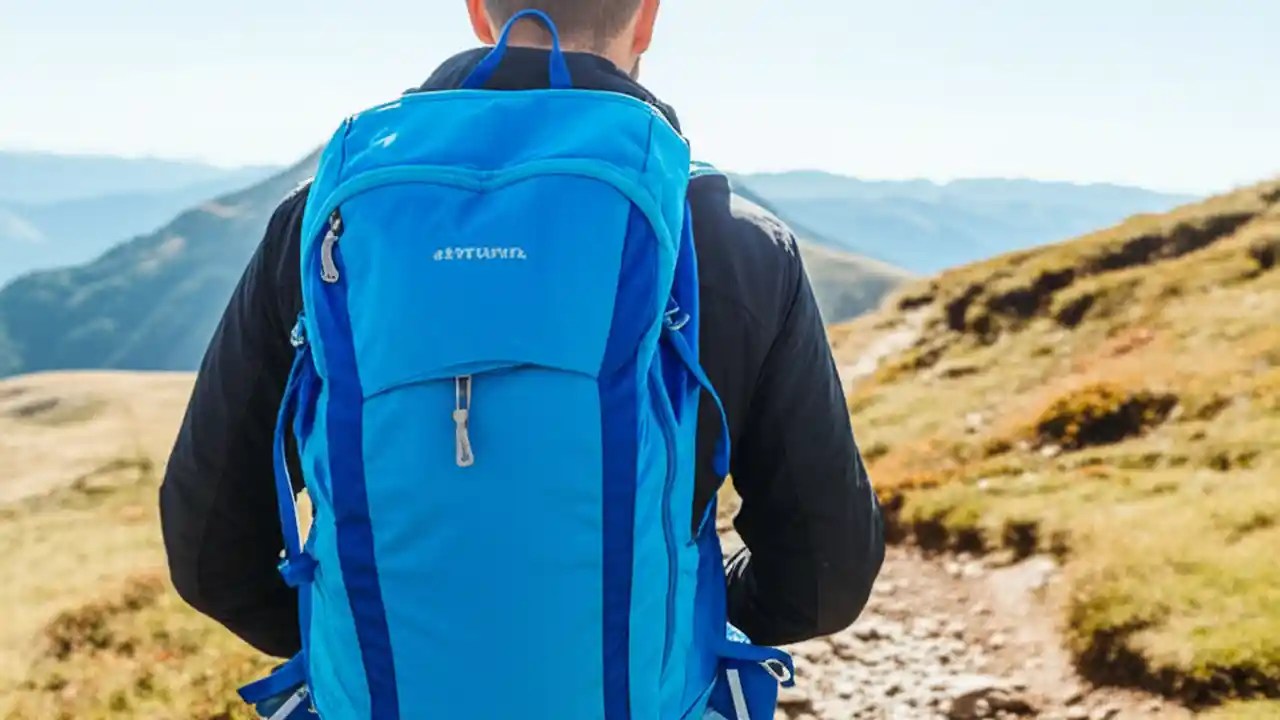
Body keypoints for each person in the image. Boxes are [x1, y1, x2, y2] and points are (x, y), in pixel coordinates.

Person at [160, 0, 884, 710]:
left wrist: (367, 644)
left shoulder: (323, 225)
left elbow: (209, 554)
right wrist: (672, 620)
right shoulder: (732, 242)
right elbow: (825, 575)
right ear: (648, 18)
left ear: (479, 13)